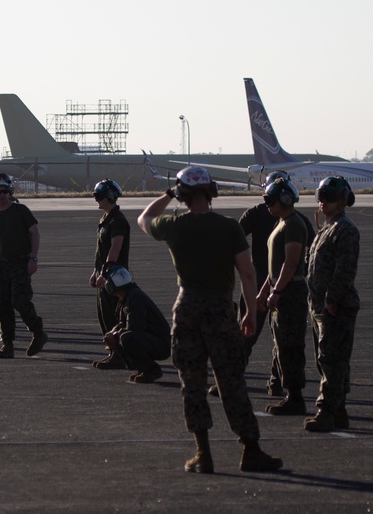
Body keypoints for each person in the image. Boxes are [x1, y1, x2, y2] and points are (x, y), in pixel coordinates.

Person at [137, 166, 281, 474]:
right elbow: (247, 273)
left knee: (192, 383)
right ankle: (250, 449)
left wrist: (167, 195)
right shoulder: (229, 228)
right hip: (220, 309)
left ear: (183, 195)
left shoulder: (173, 225)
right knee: (230, 380)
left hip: (187, 307)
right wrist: (250, 315)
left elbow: (143, 219)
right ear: (211, 192)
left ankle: (203, 453)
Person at [304, 176, 360, 432]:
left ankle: (327, 410)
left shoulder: (344, 229)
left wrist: (331, 300)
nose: (322, 202)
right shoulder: (327, 228)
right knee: (327, 359)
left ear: (342, 200)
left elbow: (345, 270)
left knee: (332, 360)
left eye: (328, 197)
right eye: (320, 196)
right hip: (320, 306)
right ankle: (338, 410)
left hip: (334, 307)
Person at [257, 177, 309, 416]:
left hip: (291, 292)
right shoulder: (281, 222)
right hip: (281, 290)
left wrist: (277, 291)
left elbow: (291, 262)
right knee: (281, 345)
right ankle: (290, 393)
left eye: (271, 199)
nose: (267, 204)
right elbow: (275, 267)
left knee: (290, 345)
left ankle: (295, 396)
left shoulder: (293, 225)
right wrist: (265, 291)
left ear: (285, 199)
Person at [0, 173, 48, 359]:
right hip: (2, 266)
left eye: (5, 191)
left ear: (10, 192)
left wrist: (33, 258)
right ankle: (7, 344)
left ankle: (38, 332)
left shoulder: (21, 210)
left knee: (20, 301)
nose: (2, 195)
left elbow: (35, 234)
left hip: (21, 262)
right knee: (2, 306)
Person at [100, 265, 170, 384]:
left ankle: (151, 370)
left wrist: (115, 336)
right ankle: (143, 368)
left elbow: (135, 328)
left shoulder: (134, 297)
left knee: (127, 338)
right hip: (153, 339)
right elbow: (124, 322)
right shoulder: (127, 296)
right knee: (124, 336)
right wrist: (113, 331)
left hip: (160, 344)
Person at [89, 179, 131, 369]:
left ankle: (120, 354)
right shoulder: (106, 219)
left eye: (99, 196)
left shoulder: (118, 220)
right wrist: (95, 271)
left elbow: (114, 249)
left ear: (110, 197)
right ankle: (114, 352)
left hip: (114, 279)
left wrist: (105, 273)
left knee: (114, 316)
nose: (96, 199)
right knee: (104, 315)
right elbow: (101, 250)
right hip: (105, 276)